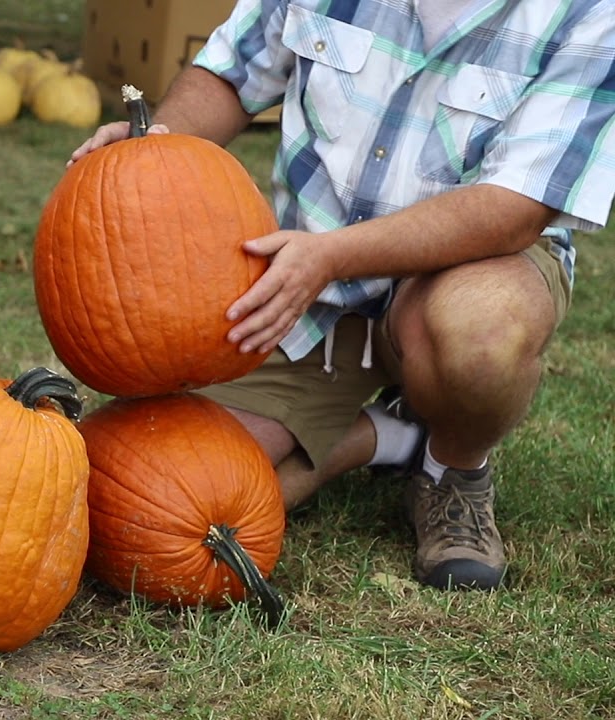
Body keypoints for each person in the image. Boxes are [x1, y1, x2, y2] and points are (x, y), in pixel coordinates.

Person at [71, 0, 615, 590]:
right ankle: (389, 438)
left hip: (469, 269)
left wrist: (332, 257)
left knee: (482, 332)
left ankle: (453, 465)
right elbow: (230, 74)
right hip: (310, 293)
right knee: (170, 501)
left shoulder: (586, 13)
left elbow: (513, 209)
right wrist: (158, 144)